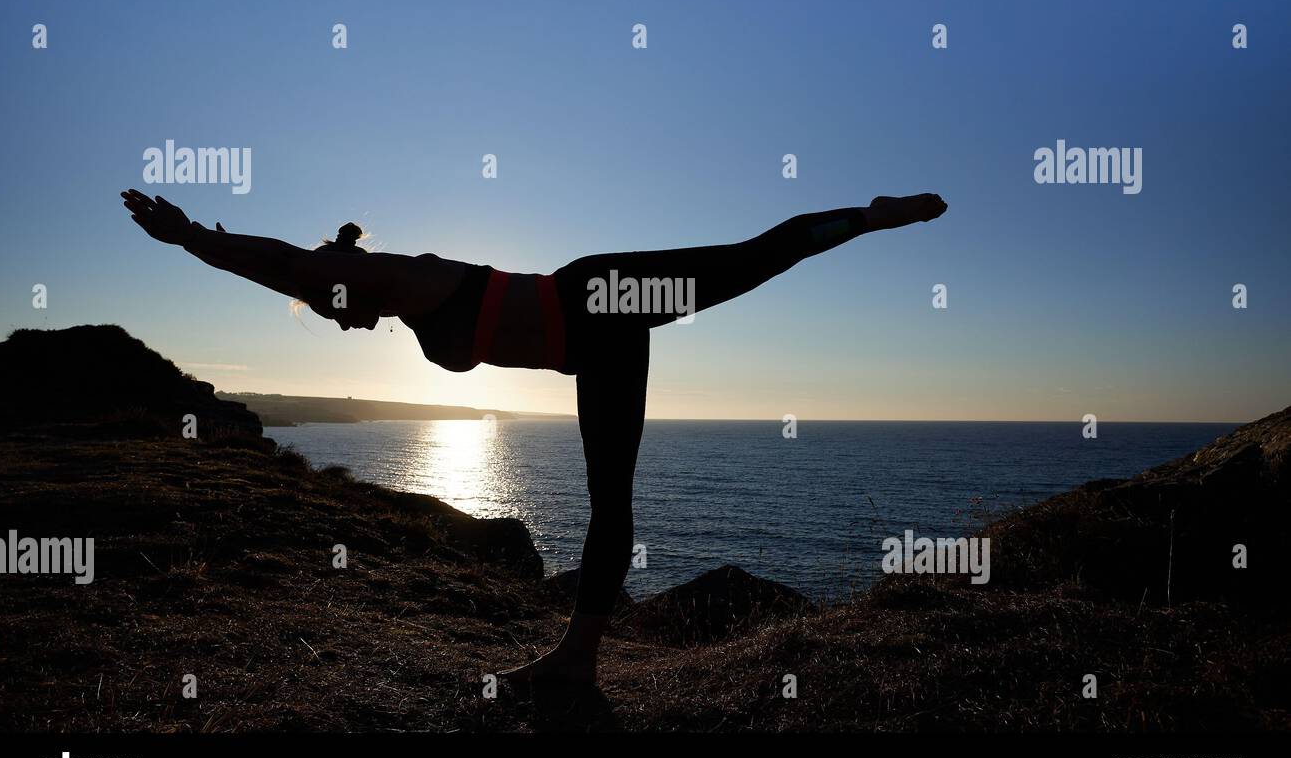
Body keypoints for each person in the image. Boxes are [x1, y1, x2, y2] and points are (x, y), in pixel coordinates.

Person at [120, 188, 947, 684]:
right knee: (610, 499)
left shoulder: (390, 276)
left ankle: (868, 218)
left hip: (597, 296)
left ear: (340, 283)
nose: (343, 327)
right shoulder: (402, 306)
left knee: (748, 259)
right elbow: (297, 275)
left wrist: (193, 239)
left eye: (332, 313)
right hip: (597, 342)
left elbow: (285, 267)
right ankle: (578, 660)